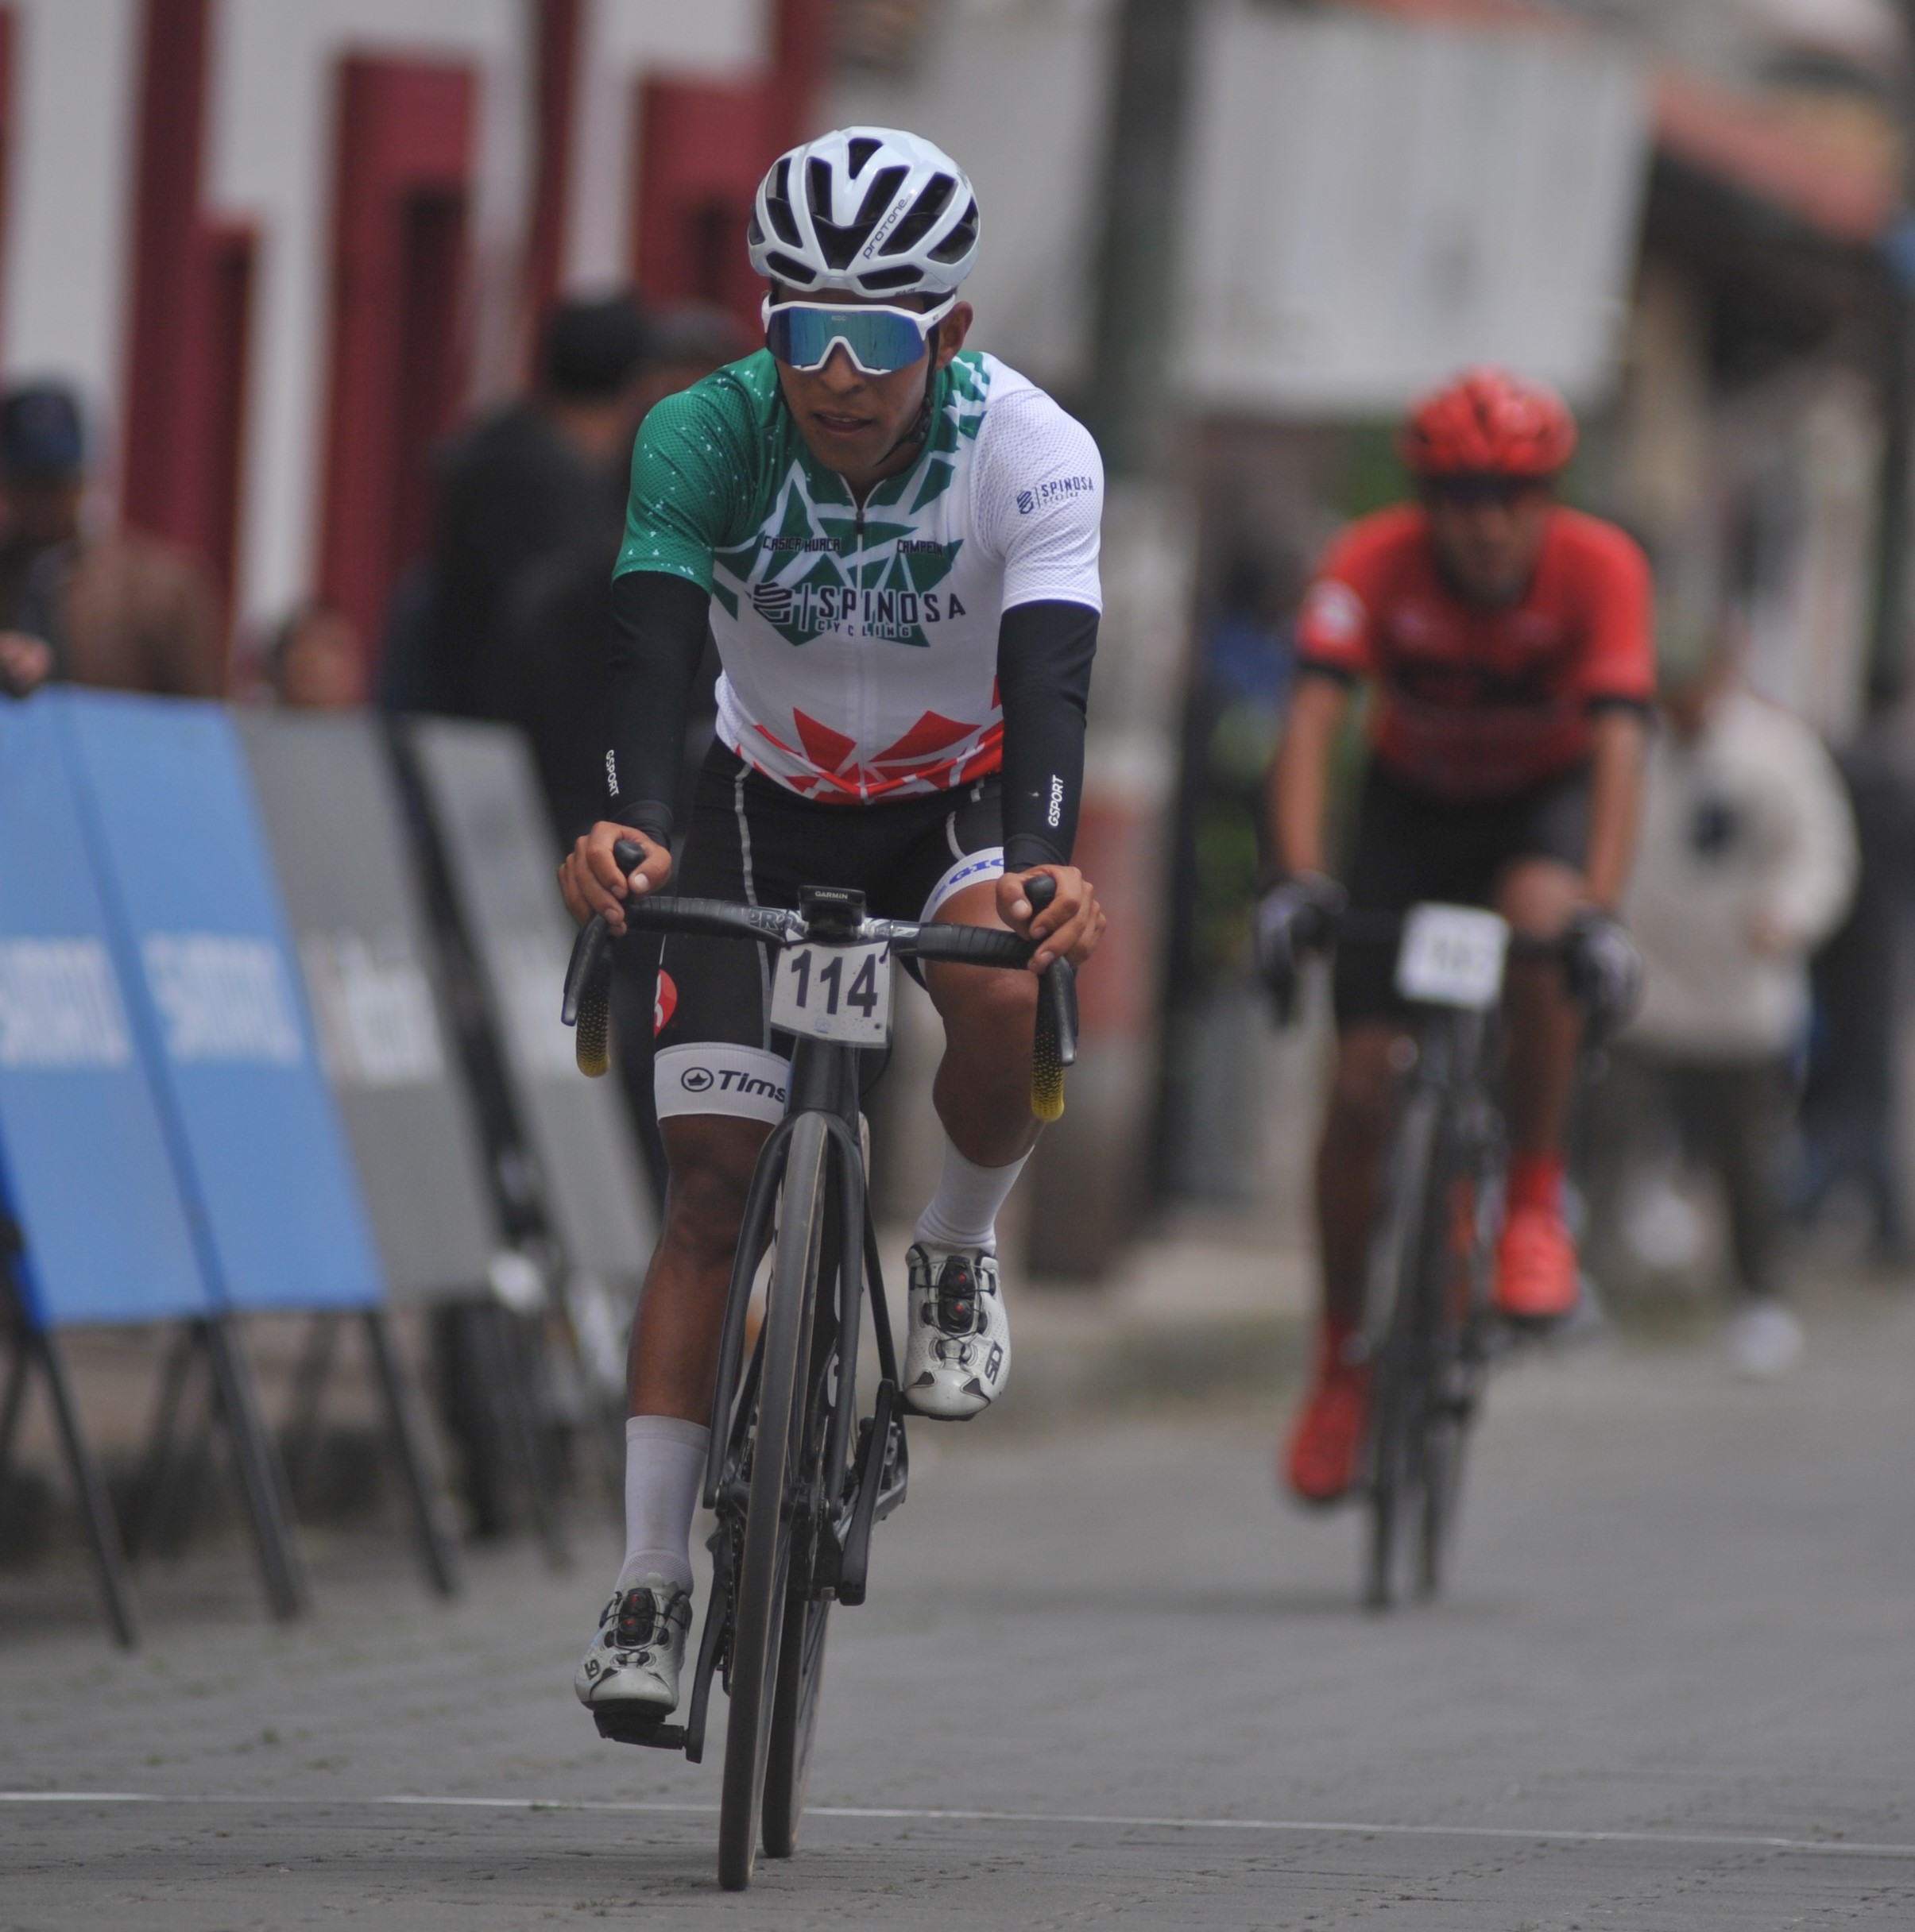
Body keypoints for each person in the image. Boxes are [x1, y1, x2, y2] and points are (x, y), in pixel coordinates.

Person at [558, 126, 1106, 1721]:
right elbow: (647, 643)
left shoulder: (1032, 451)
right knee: (709, 1190)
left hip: (956, 800)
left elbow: (1049, 678)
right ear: (767, 323)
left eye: (881, 337)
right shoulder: (700, 433)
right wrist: (622, 821)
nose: (841, 375)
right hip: (758, 794)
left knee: (1000, 998)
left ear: (946, 331)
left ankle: (945, 1250)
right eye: (807, 331)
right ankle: (652, 1582)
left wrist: (1051, 861)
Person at [1257, 368, 1652, 1505]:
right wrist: (1293, 879)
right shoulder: (1371, 562)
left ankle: (1531, 1199)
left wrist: (1601, 912)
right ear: (1426, 496)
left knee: (1541, 916)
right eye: (1461, 491)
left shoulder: (1599, 568)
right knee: (1361, 1090)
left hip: (1540, 806)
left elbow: (1621, 742)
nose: (1487, 517)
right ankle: (1338, 1364)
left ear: (1550, 496)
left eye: (1514, 493)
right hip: (1412, 810)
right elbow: (1312, 718)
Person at [1613, 628, 1855, 1376]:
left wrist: (1790, 914)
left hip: (1740, 988)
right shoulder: (1634, 743)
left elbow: (1820, 852)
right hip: (1646, 978)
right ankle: (1586, 1285)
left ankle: (1758, 1295)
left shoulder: (1776, 752)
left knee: (1745, 1155)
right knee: (1608, 1136)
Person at [394, 292, 651, 719]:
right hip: (518, 740)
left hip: (456, 726)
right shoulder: (574, 501)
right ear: (635, 390)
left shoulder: (487, 457)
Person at [0, 382, 222, 700]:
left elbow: (199, 719)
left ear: (83, 479)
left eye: (55, 481)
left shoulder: (157, 589)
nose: (42, 499)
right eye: (29, 481)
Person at [262, 601, 364, 709]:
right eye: (306, 664)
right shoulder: (253, 719)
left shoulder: (373, 722)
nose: (319, 665)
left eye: (333, 645)